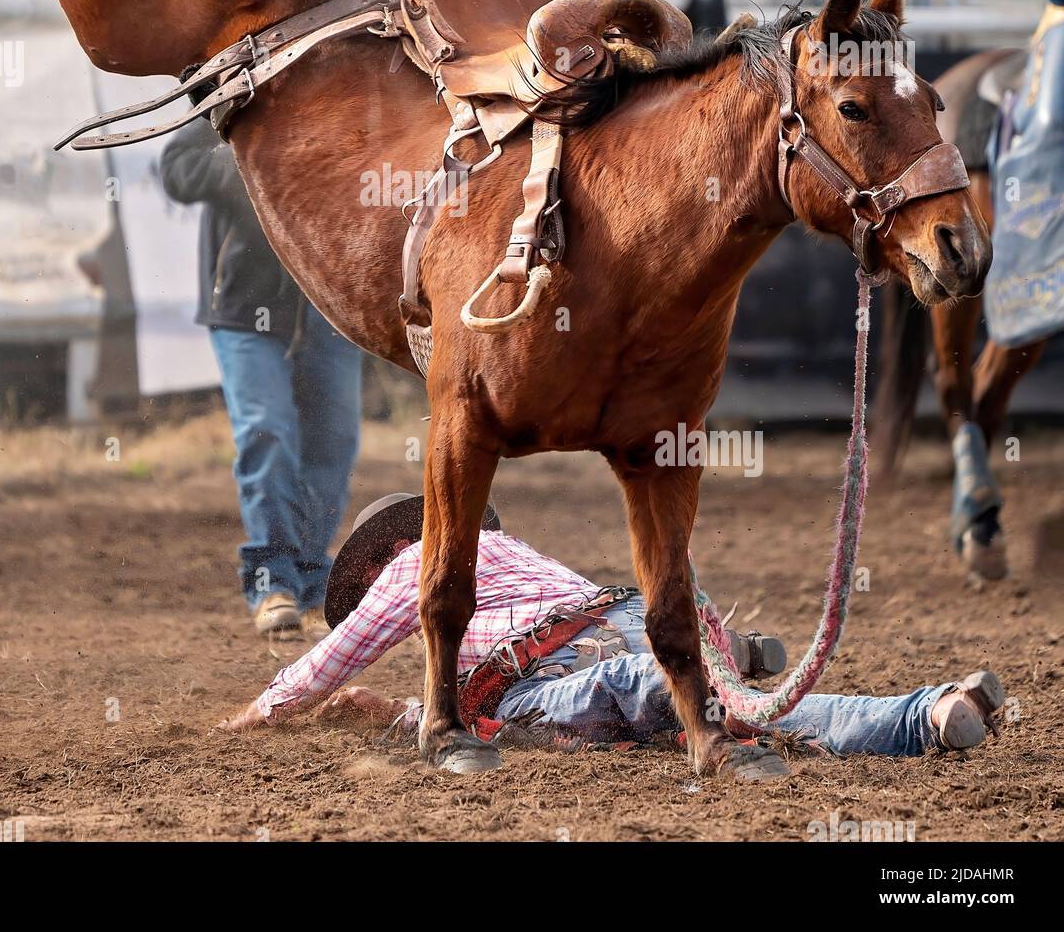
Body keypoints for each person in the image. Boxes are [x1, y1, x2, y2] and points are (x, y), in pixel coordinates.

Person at [221, 493, 1006, 765]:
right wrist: (394, 714)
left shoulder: (415, 563)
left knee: (678, 699)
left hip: (550, 676)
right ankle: (727, 655)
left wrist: (254, 715)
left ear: (385, 556)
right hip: (628, 613)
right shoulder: (504, 547)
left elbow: (321, 667)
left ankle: (918, 717)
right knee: (681, 672)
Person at [160, 121, 362, 639]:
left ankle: (311, 580)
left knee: (333, 442)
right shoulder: (230, 101)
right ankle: (273, 579)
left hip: (331, 309)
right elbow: (177, 171)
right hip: (243, 310)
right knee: (267, 432)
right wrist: (263, 156)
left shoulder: (347, 99)